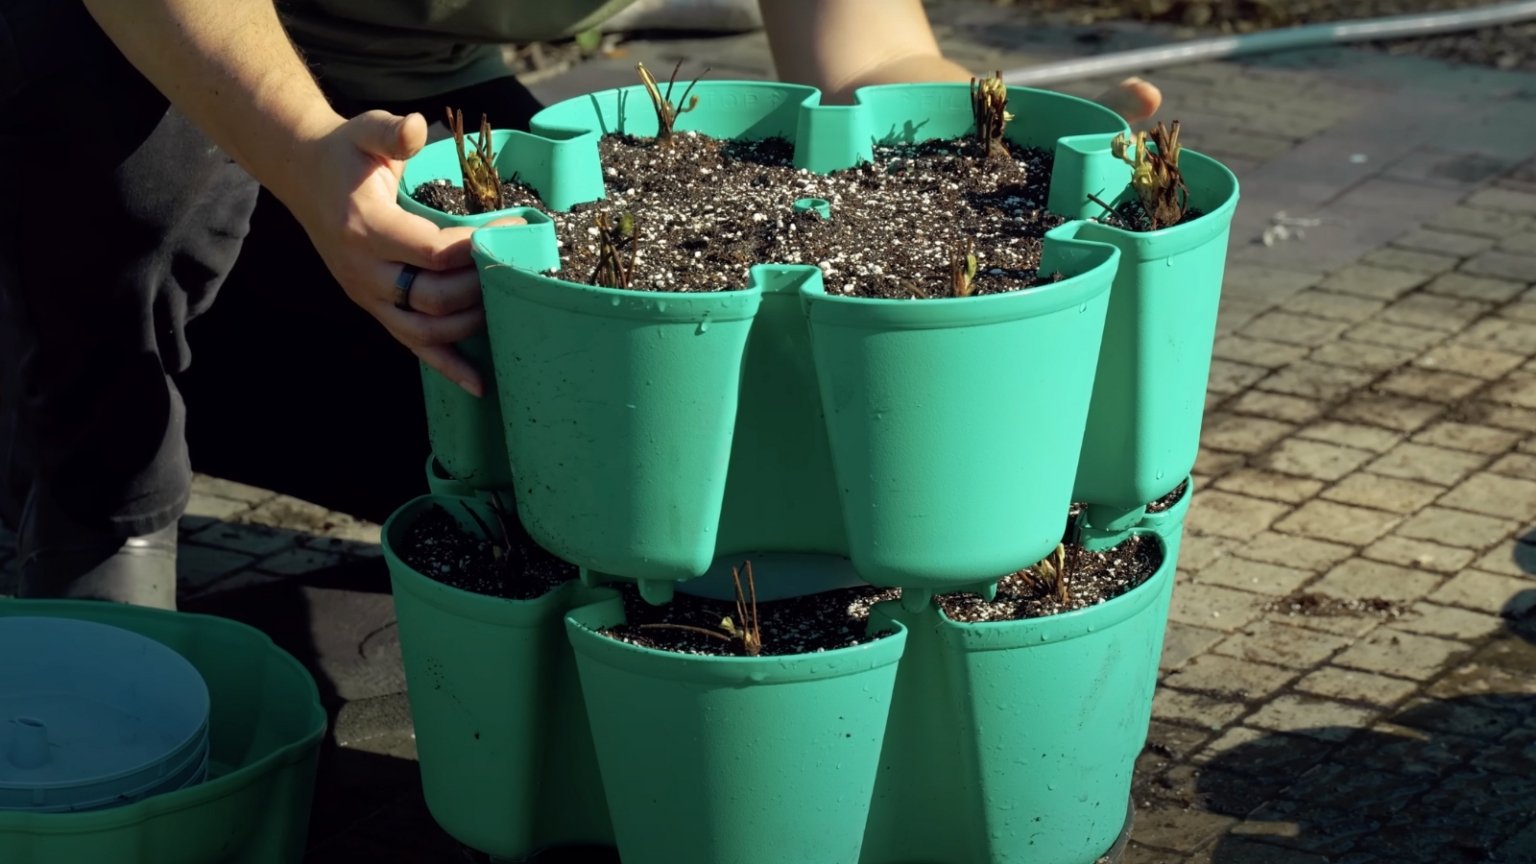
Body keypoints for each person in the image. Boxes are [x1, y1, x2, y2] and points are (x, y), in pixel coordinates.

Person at [0, 0, 1162, 610]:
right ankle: (100, 498)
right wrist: (310, 168)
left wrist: (1006, 140)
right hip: (130, 74)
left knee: (546, 461)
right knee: (103, 119)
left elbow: (867, 47)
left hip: (385, 120)